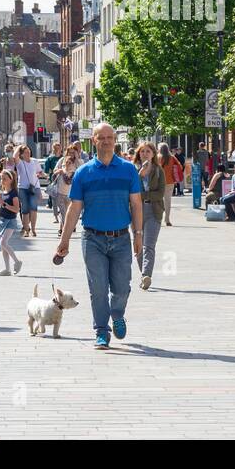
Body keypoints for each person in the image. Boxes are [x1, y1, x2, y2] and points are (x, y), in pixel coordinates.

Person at [55, 122, 144, 349]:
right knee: (98, 289)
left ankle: (117, 314)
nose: (106, 141)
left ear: (115, 140)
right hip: (92, 238)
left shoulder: (128, 169)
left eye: (109, 137)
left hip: (121, 238)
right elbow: (74, 208)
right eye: (101, 137)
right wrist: (64, 241)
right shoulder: (84, 173)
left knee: (122, 287)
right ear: (93, 141)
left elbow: (136, 205)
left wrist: (139, 235)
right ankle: (101, 331)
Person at [134, 141, 166, 290]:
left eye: (148, 151)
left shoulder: (159, 170)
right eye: (142, 151)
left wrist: (143, 195)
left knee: (149, 246)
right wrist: (139, 177)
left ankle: (147, 275)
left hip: (154, 211)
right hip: (136, 211)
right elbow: (131, 193)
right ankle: (144, 275)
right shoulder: (133, 170)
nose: (145, 154)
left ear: (153, 154)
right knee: (138, 246)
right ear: (138, 154)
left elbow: (160, 193)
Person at [0, 168, 23, 276]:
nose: (2, 181)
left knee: (3, 243)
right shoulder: (1, 192)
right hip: (2, 220)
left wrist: (4, 204)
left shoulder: (13, 194)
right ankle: (7, 269)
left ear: (11, 180)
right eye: (1, 178)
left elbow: (16, 209)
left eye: (4, 178)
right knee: (3, 246)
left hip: (11, 221)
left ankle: (17, 262)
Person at [15, 144, 44, 237]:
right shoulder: (20, 163)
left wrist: (43, 174)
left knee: (34, 208)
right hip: (23, 188)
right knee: (25, 209)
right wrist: (20, 146)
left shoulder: (35, 161)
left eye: (29, 152)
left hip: (34, 188)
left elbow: (40, 172)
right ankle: (27, 230)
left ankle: (33, 229)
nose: (28, 153)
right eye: (26, 152)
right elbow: (14, 156)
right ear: (22, 154)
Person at [43, 141, 63, 223]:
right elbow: (46, 170)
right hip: (54, 181)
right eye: (56, 148)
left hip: (63, 181)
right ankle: (56, 217)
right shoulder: (50, 159)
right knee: (54, 200)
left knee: (62, 200)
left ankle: (62, 216)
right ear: (53, 149)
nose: (57, 149)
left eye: (59, 148)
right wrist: (50, 174)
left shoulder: (63, 158)